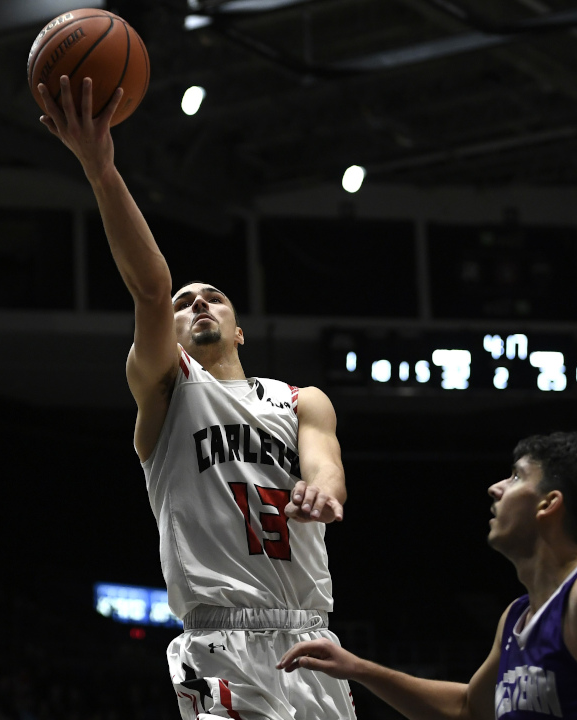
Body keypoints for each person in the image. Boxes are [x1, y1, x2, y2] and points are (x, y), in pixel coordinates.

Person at [38, 76, 353, 720]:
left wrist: (323, 488)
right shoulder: (166, 388)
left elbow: (325, 467)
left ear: (239, 329)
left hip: (313, 636)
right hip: (222, 635)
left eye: (214, 297)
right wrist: (102, 171)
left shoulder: (302, 399)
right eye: (187, 303)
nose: (197, 303)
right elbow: (152, 287)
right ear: (172, 333)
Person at [278, 431, 577, 720]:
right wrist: (355, 667)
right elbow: (468, 710)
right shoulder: (519, 617)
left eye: (516, 476)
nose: (495, 488)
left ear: (550, 504)